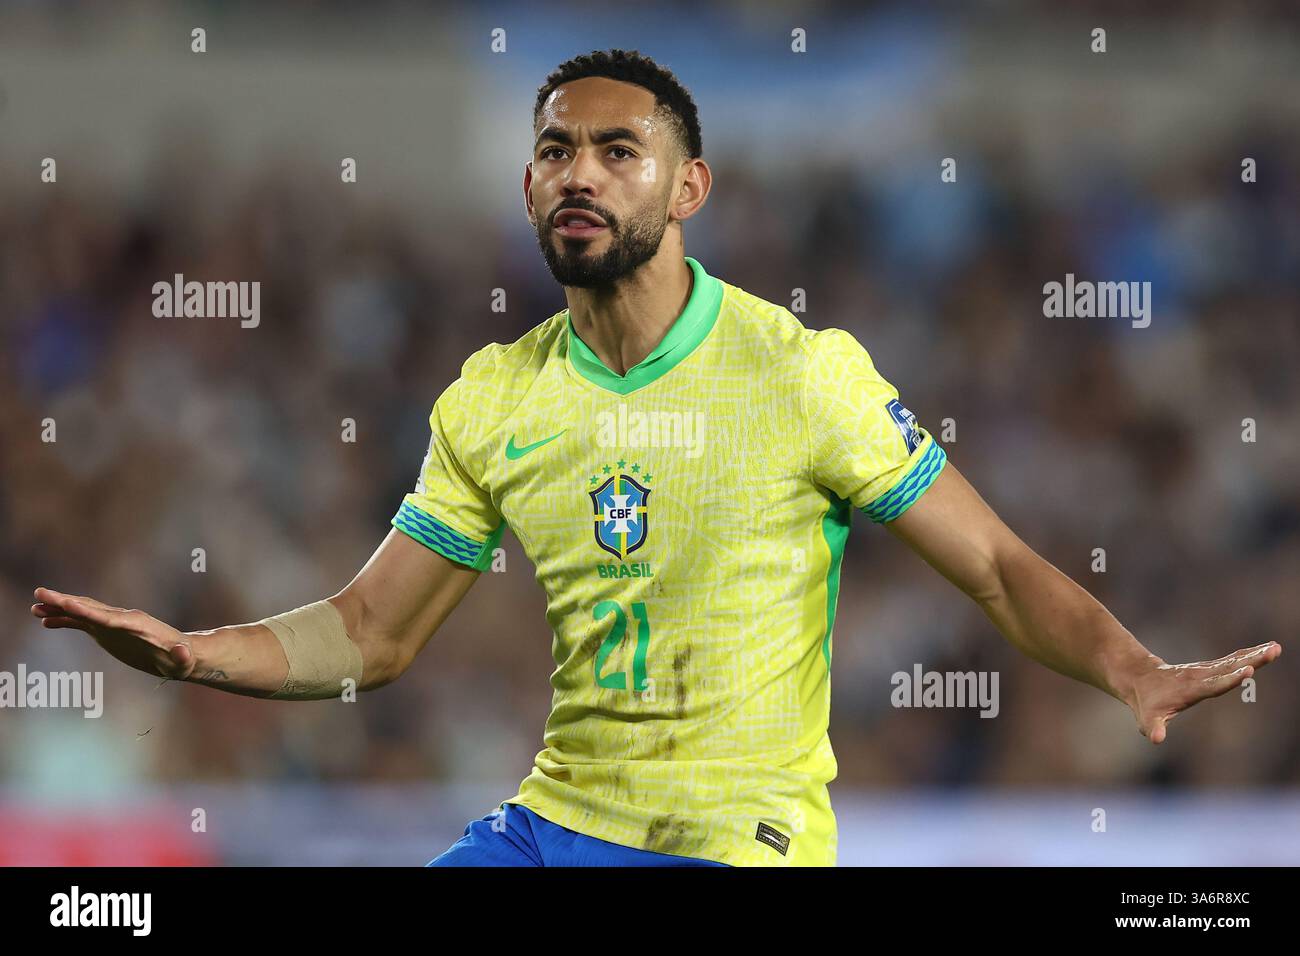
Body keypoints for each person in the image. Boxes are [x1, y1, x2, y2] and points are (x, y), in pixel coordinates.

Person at [31, 49, 1281, 867]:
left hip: (733, 843)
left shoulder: (799, 372)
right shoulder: (494, 398)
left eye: (616, 152)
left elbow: (1000, 566)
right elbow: (372, 633)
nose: (580, 174)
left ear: (688, 188)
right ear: (526, 186)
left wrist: (1131, 667)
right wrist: (197, 654)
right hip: (555, 827)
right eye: (558, 152)